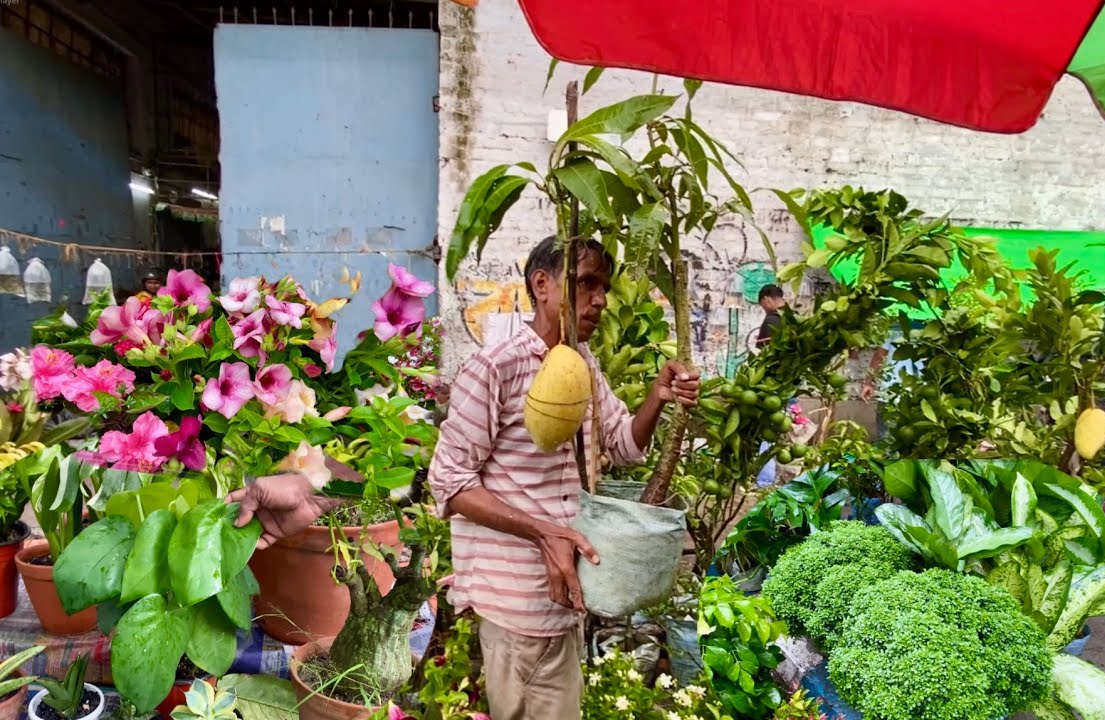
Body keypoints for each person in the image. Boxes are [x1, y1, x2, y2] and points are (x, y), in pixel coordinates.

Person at [229, 235, 700, 720]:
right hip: (515, 601)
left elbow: (621, 446)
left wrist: (658, 398)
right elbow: (449, 484)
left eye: (604, 286)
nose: (600, 300)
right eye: (586, 284)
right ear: (542, 284)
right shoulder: (496, 367)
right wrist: (545, 532)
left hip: (562, 596)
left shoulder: (583, 366)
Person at [755, 284, 786, 348]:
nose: (764, 310)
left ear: (766, 299)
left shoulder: (771, 320)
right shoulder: (796, 316)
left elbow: (767, 349)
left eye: (762, 305)